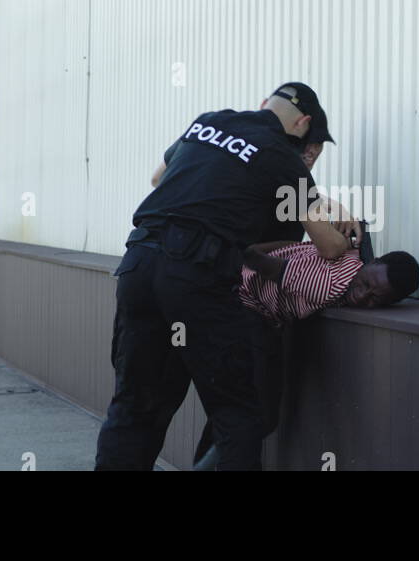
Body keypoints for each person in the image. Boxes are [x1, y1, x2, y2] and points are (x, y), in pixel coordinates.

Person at [95, 83, 338, 471]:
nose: (308, 155)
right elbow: (327, 246)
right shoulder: (282, 156)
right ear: (303, 124)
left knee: (136, 406)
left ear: (263, 105)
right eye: (311, 147)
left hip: (139, 262)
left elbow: (158, 177)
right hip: (195, 276)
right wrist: (335, 218)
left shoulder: (209, 122)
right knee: (240, 414)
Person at [192, 239, 419, 470]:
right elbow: (252, 256)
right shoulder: (328, 285)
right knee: (258, 417)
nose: (362, 296)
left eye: (375, 298)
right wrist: (251, 256)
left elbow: (291, 247)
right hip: (245, 306)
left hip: (246, 308)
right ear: (374, 262)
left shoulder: (348, 251)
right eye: (366, 284)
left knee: (239, 412)